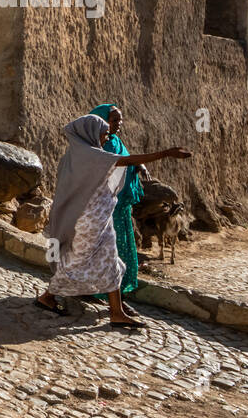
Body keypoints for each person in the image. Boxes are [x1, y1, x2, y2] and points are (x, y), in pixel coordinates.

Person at [35, 113, 191, 328]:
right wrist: (166, 153)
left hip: (98, 220)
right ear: (90, 133)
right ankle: (49, 297)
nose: (107, 139)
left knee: (110, 263)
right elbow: (124, 161)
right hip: (87, 223)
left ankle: (116, 312)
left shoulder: (78, 155)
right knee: (81, 263)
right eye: (104, 134)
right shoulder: (89, 155)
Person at [88, 103, 145, 307]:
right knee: (107, 253)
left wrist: (140, 165)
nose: (118, 123)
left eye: (120, 120)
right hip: (103, 209)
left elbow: (128, 157)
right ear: (101, 120)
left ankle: (116, 296)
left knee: (122, 251)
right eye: (114, 120)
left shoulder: (115, 141)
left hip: (120, 208)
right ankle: (108, 298)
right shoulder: (95, 145)